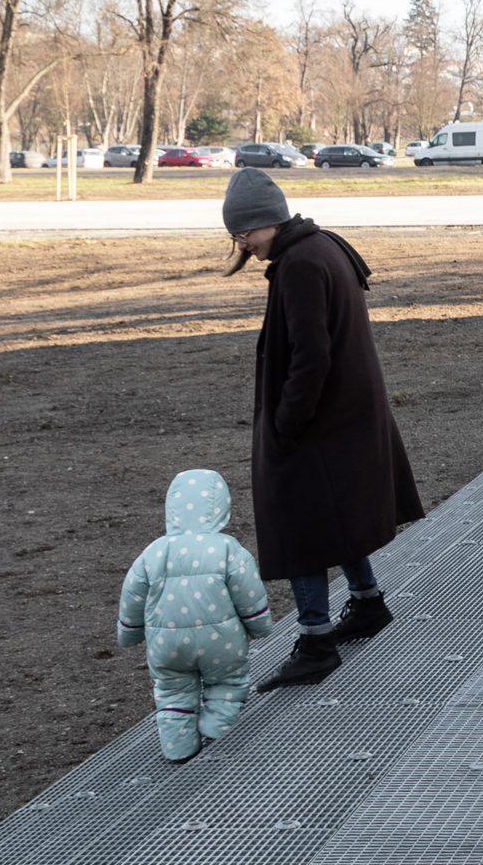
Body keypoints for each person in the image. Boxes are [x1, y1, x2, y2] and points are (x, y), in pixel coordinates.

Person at [220, 168, 425, 690]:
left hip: (319, 422)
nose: (243, 246)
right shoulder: (321, 245)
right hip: (346, 417)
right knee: (339, 514)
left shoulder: (300, 264)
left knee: (301, 524)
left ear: (265, 222)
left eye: (244, 234)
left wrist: (287, 424)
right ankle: (367, 603)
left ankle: (315, 641)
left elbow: (311, 356)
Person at [117, 468, 272, 762]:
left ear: (172, 508)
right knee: (228, 682)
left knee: (173, 694)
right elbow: (248, 593)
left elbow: (132, 595)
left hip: (167, 646)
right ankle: (214, 729)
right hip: (220, 643)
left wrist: (129, 632)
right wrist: (260, 625)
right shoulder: (227, 548)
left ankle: (179, 750)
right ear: (220, 508)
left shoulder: (153, 551)